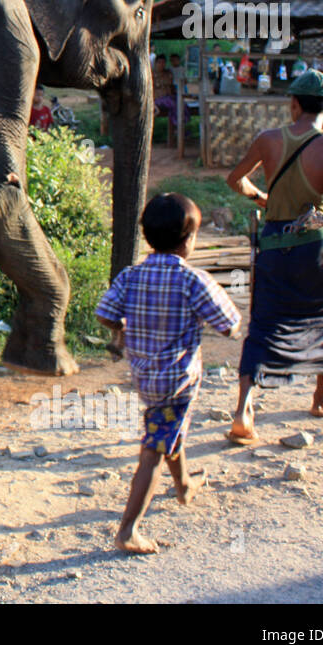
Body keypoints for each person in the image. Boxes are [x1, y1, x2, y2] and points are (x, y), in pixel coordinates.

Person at [96, 193, 242, 554]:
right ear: (189, 239)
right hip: (177, 382)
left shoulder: (131, 275)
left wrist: (123, 329)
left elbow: (104, 312)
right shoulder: (193, 280)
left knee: (170, 431)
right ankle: (128, 530)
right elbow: (231, 326)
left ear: (147, 236)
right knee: (152, 452)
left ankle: (184, 486)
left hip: (145, 378)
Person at [224, 69, 323, 445]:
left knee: (263, 324)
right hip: (315, 249)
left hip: (271, 248)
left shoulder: (267, 141)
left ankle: (243, 410)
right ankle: (320, 399)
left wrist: (261, 199)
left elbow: (234, 178)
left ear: (294, 105)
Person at [152, 55, 177, 133]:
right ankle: (176, 126)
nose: (161, 64)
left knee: (181, 104)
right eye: (159, 62)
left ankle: (179, 127)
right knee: (172, 104)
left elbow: (172, 87)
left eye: (163, 63)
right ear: (155, 63)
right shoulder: (150, 74)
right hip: (156, 100)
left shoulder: (168, 73)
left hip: (168, 97)